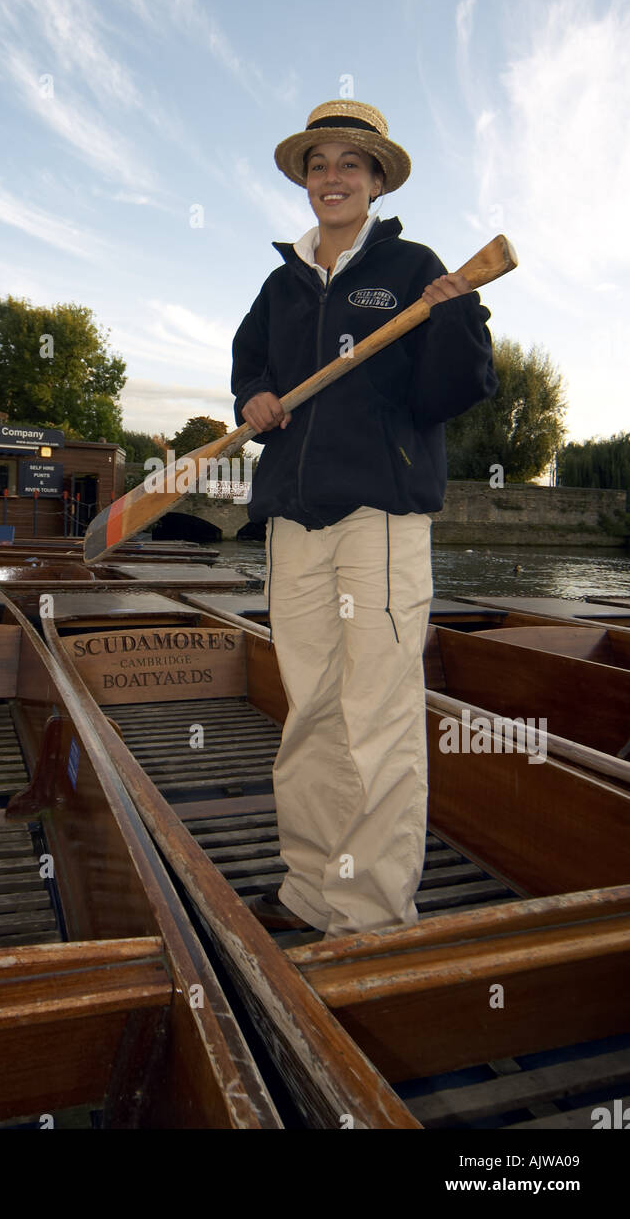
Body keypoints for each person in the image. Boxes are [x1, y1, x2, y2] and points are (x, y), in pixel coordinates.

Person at [231, 100, 498, 939]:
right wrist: (253, 398)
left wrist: (456, 317)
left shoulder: (413, 266)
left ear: (376, 180)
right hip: (292, 518)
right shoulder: (279, 284)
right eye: (319, 164)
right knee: (309, 709)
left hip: (379, 517)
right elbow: (248, 364)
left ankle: (373, 914)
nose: (333, 178)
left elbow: (446, 393)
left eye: (351, 163)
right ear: (305, 181)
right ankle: (311, 890)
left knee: (375, 715)